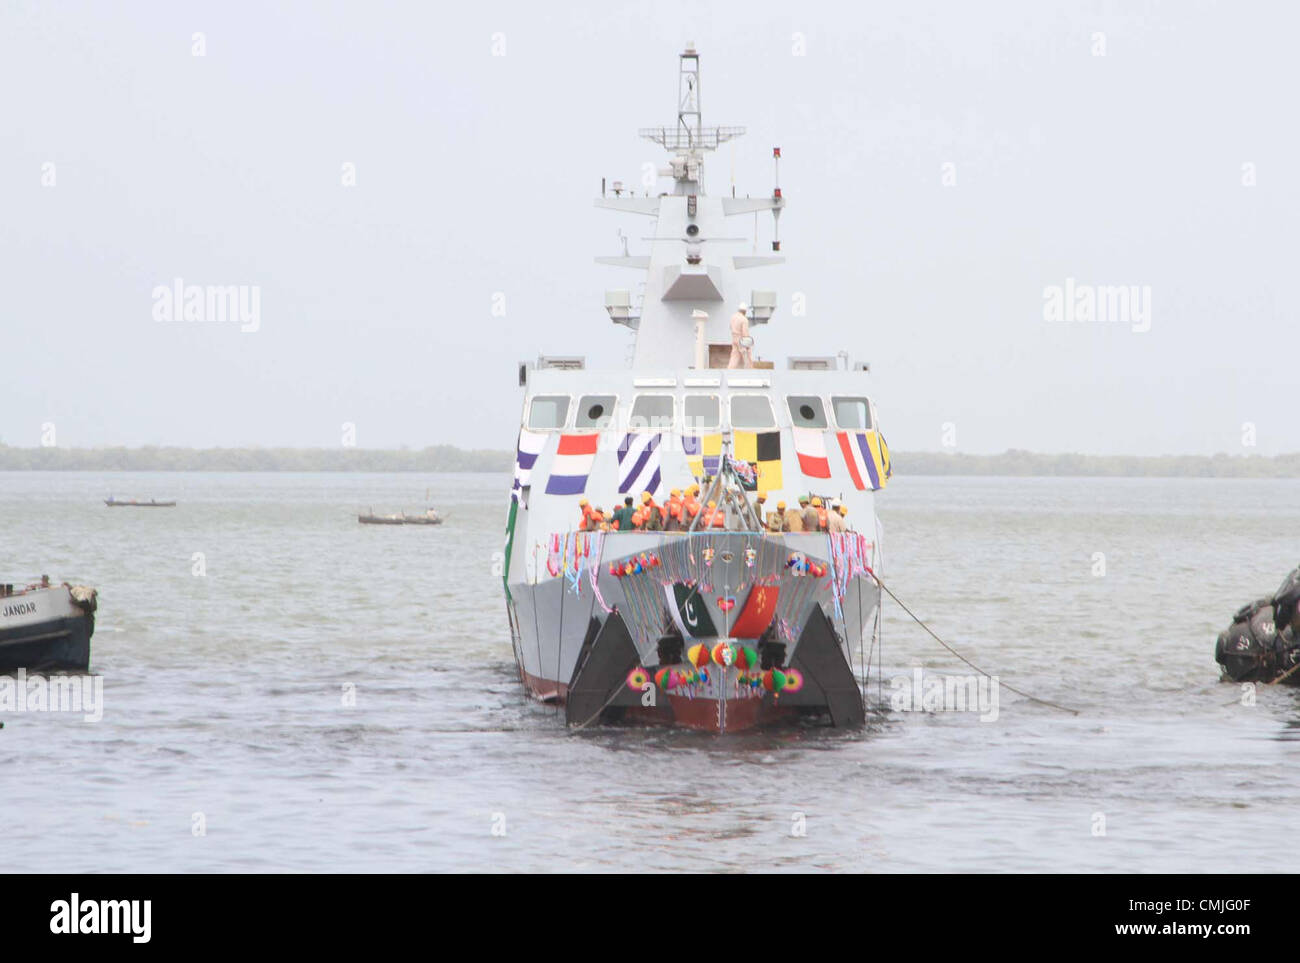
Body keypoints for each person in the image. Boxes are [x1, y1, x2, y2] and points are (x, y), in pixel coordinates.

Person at [727, 302, 752, 369]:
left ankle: (729, 370)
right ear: (745, 311)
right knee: (746, 354)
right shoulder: (744, 319)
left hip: (734, 338)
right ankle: (749, 370)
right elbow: (745, 333)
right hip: (741, 339)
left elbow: (730, 327)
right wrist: (747, 345)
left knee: (734, 355)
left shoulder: (733, 317)